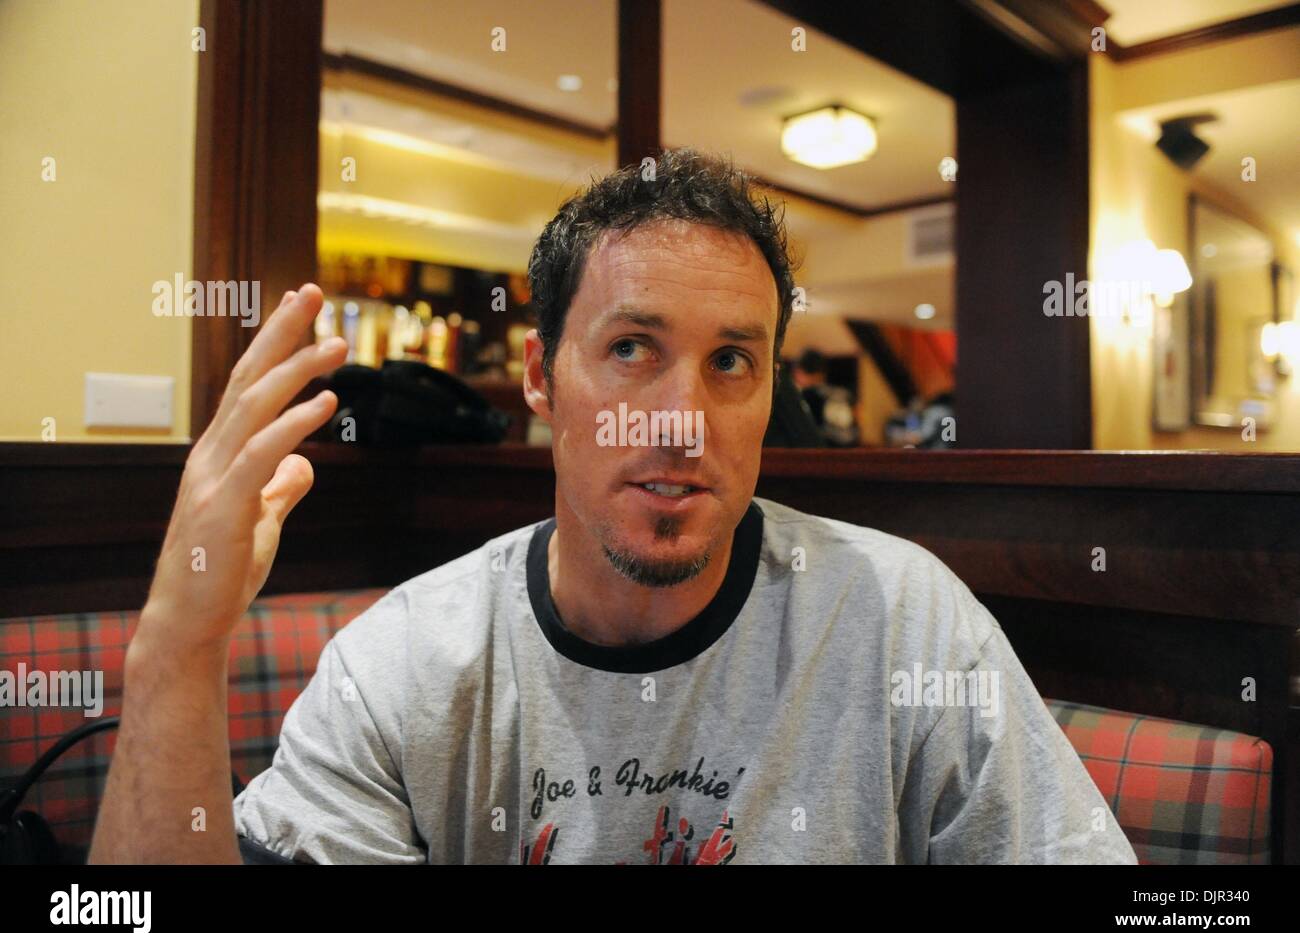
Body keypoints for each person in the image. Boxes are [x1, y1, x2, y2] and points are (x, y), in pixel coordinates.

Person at [89, 148, 1136, 865]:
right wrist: (177, 648)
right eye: (632, 350)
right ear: (542, 378)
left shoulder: (900, 617)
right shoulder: (404, 665)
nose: (682, 421)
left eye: (732, 360)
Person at [792, 349, 860, 446]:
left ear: (799, 372)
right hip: (850, 449)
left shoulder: (804, 396)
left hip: (821, 451)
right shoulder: (844, 394)